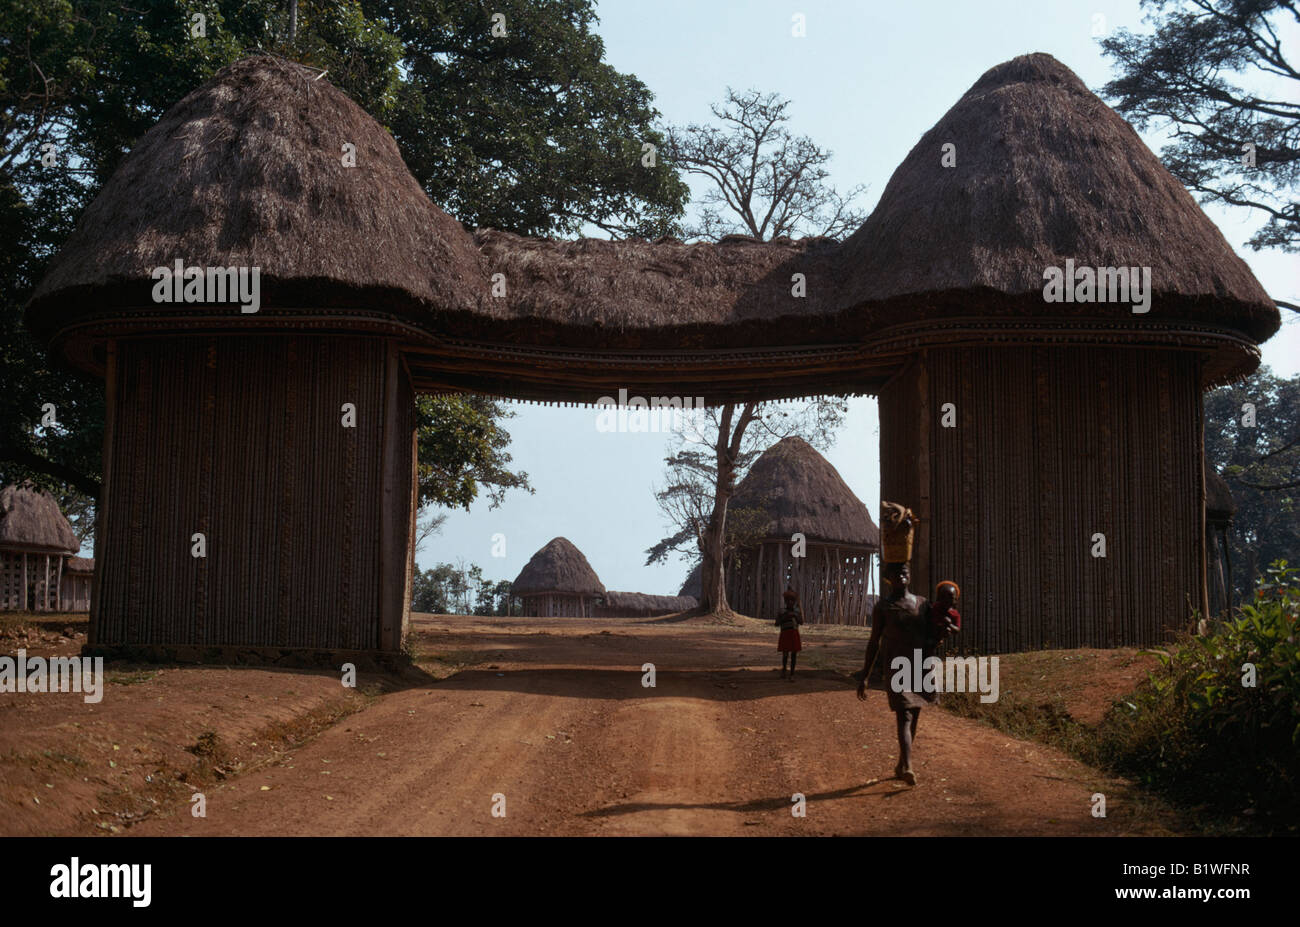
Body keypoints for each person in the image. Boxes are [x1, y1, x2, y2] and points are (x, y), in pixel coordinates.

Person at [855, 561, 934, 785]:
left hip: (919, 665)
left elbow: (932, 633)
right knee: (904, 715)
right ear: (889, 578)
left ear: (910, 576)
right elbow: (873, 642)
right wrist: (865, 676)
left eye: (904, 572)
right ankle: (908, 765)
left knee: (914, 713)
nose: (901, 576)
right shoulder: (883, 607)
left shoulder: (922, 604)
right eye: (896, 573)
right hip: (897, 666)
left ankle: (901, 763)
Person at [926, 581, 961, 658]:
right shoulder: (934, 607)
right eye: (943, 597)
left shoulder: (955, 614)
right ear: (938, 597)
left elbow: (957, 629)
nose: (946, 600)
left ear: (956, 600)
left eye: (950, 597)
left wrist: (949, 624)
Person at [776, 586, 803, 680]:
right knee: (785, 654)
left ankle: (792, 674)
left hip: (794, 633)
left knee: (794, 654)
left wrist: (795, 615)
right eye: (788, 600)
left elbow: (801, 622)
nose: (790, 602)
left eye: (792, 600)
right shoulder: (782, 611)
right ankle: (784, 670)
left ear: (794, 602)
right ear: (785, 601)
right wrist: (785, 617)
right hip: (785, 633)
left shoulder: (797, 611)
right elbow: (777, 623)